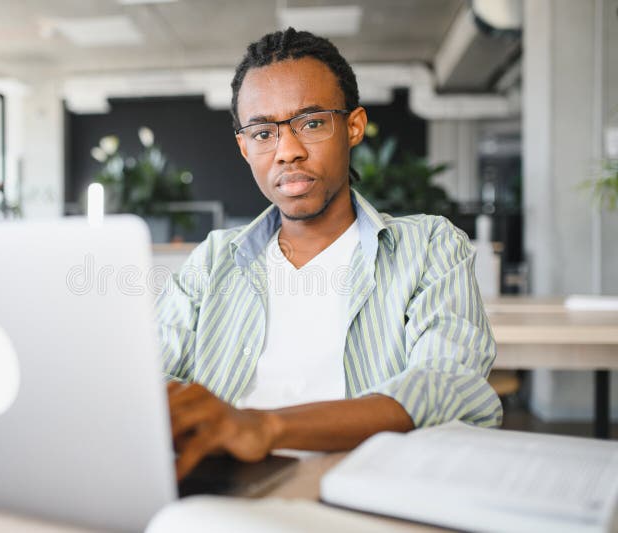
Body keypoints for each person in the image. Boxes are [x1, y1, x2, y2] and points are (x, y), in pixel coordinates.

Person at [159, 28, 502, 480]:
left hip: (365, 489)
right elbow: (148, 373)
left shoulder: (430, 247)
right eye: (263, 133)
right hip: (226, 491)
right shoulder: (214, 259)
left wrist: (264, 426)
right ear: (245, 148)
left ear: (353, 126)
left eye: (312, 122)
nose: (288, 151)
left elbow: (446, 384)